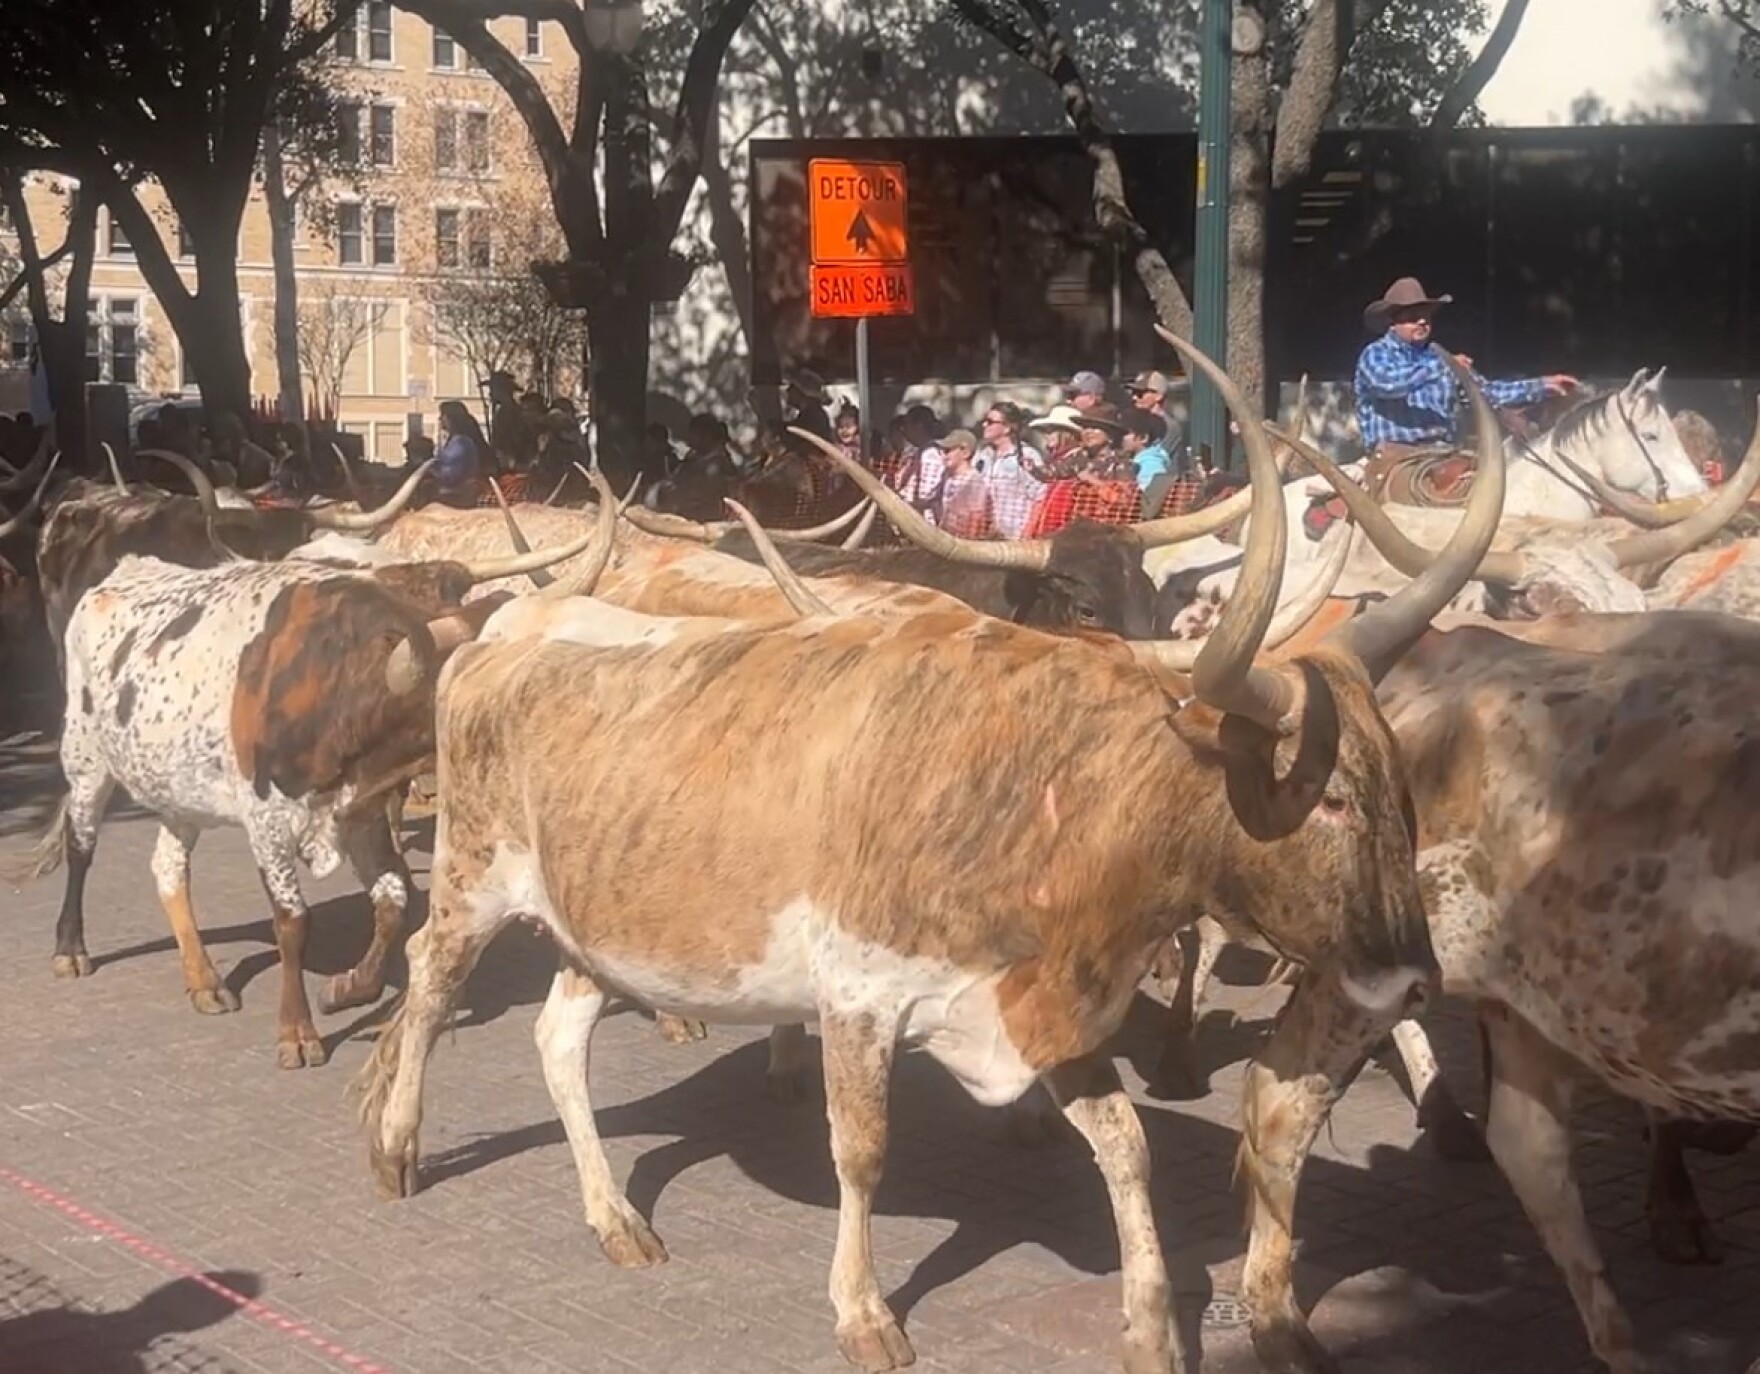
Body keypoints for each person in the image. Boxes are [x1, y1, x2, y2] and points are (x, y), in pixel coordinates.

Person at [1354, 276, 1578, 499]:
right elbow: (1390, 385)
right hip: (1396, 457)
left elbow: (1486, 393)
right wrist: (1443, 365)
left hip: (1444, 454)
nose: (1422, 321)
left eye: (1426, 316)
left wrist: (1542, 386)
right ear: (1393, 322)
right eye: (1413, 317)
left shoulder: (1440, 358)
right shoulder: (1375, 355)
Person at [784, 369, 836, 446]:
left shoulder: (814, 417)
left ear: (803, 393)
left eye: (792, 387)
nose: (787, 390)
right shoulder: (810, 414)